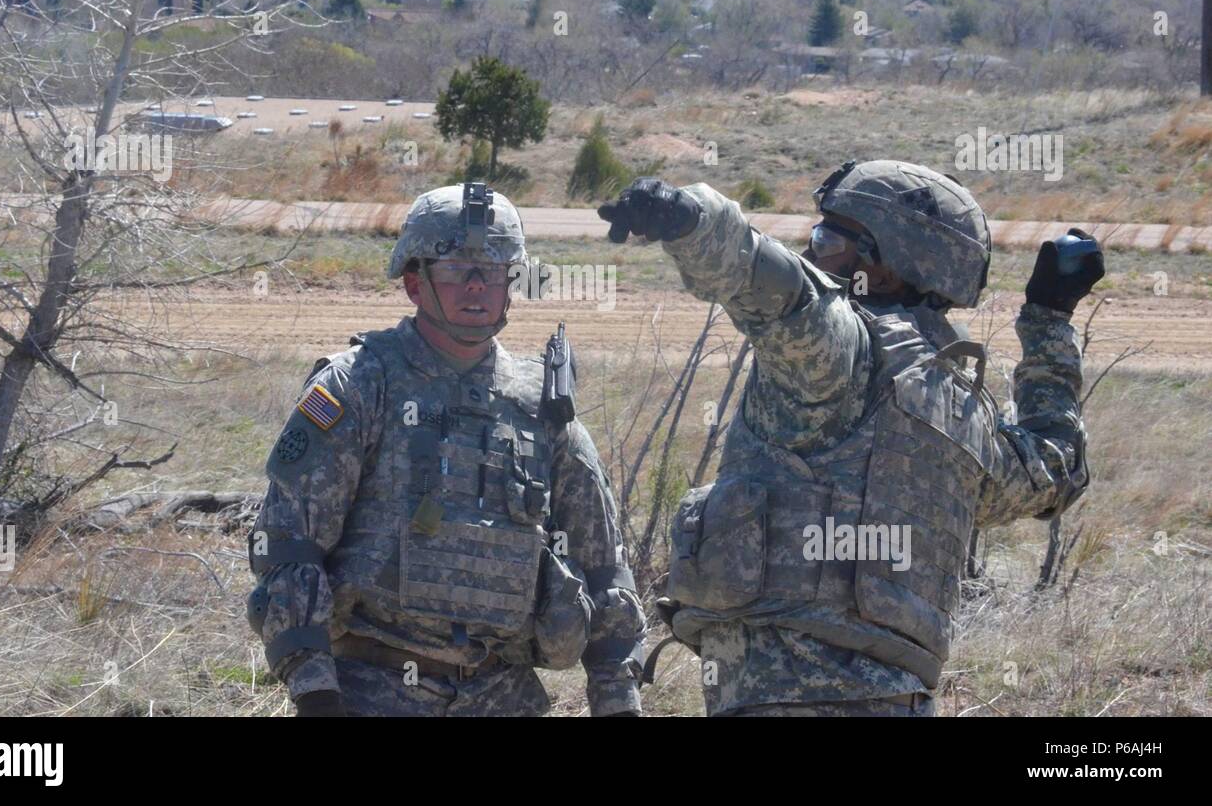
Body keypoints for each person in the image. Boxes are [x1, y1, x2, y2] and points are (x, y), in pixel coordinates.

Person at [598, 161, 1103, 716]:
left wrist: (689, 219)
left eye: (829, 237)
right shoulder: (963, 409)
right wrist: (1050, 318)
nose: (813, 251)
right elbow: (1054, 469)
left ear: (886, 269)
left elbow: (775, 289)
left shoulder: (843, 355)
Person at [248, 183, 646, 717]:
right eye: (457, 270)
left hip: (505, 694)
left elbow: (604, 569)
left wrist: (617, 700)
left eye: (495, 271)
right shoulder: (361, 384)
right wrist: (317, 694)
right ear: (415, 283)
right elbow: (289, 546)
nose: (477, 286)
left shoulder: (542, 408)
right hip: (370, 688)